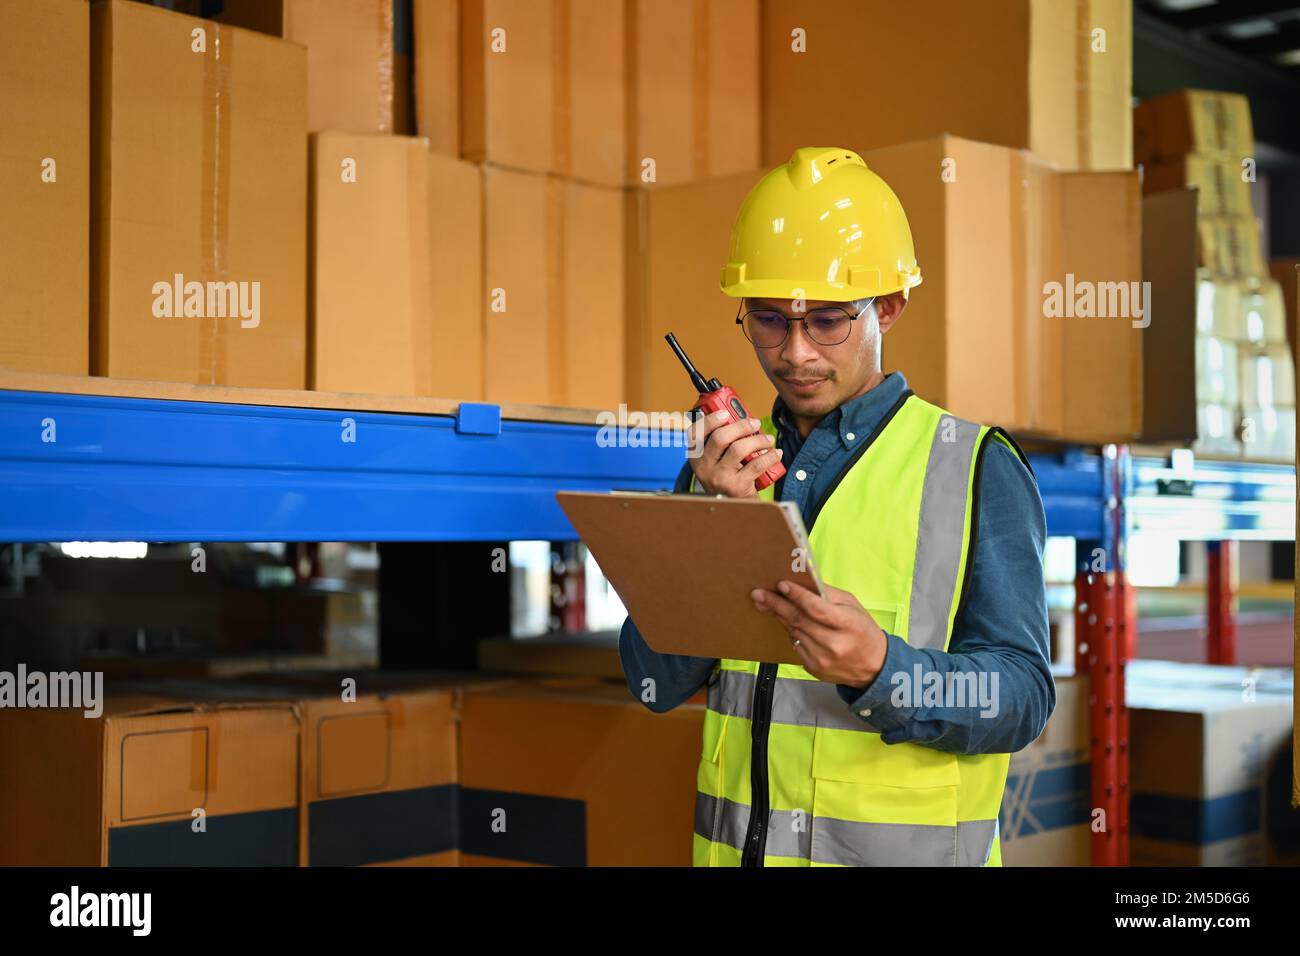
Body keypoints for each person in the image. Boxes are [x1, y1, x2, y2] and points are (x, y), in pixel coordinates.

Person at [618, 147, 1055, 867]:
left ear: (888, 306)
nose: (794, 355)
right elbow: (652, 682)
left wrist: (884, 670)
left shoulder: (973, 466)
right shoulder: (719, 470)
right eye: (767, 321)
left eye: (826, 321)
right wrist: (711, 527)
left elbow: (1023, 699)